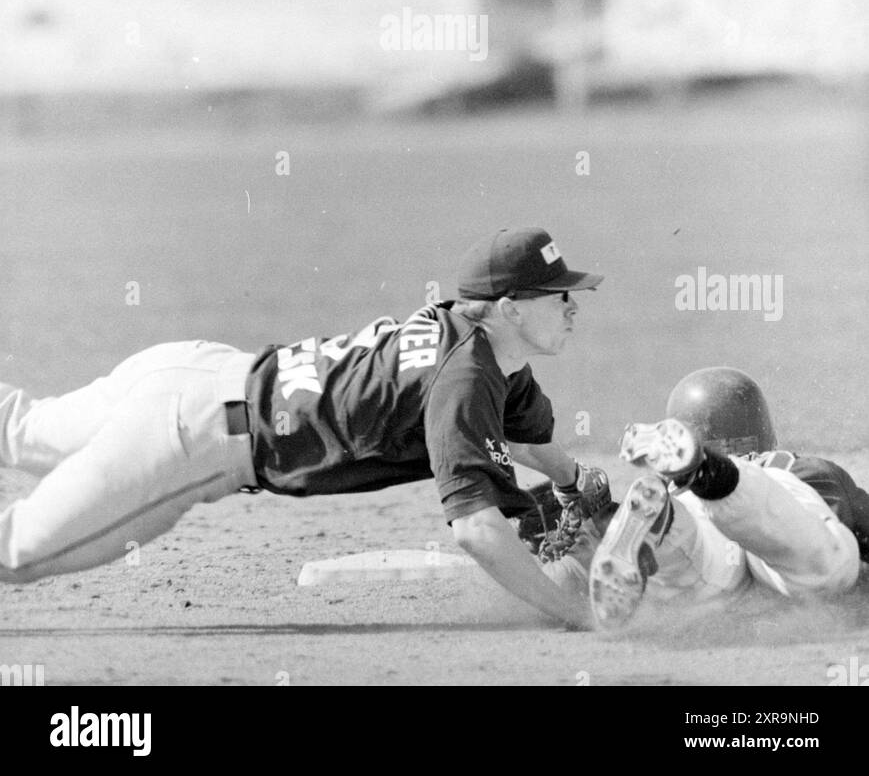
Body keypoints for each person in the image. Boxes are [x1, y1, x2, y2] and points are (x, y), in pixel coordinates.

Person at [0, 226, 609, 628]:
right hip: (189, 438)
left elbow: (521, 433)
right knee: (20, 552)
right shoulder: (465, 380)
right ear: (508, 309)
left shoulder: (481, 346)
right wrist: (572, 613)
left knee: (20, 427)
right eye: (557, 296)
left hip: (187, 370)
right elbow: (477, 532)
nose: (573, 304)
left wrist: (571, 480)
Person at [584, 367, 869, 628]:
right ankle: (716, 476)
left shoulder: (670, 491)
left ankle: (665, 528)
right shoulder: (806, 469)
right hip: (773, 490)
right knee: (823, 566)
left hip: (692, 502)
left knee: (699, 574)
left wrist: (589, 523)